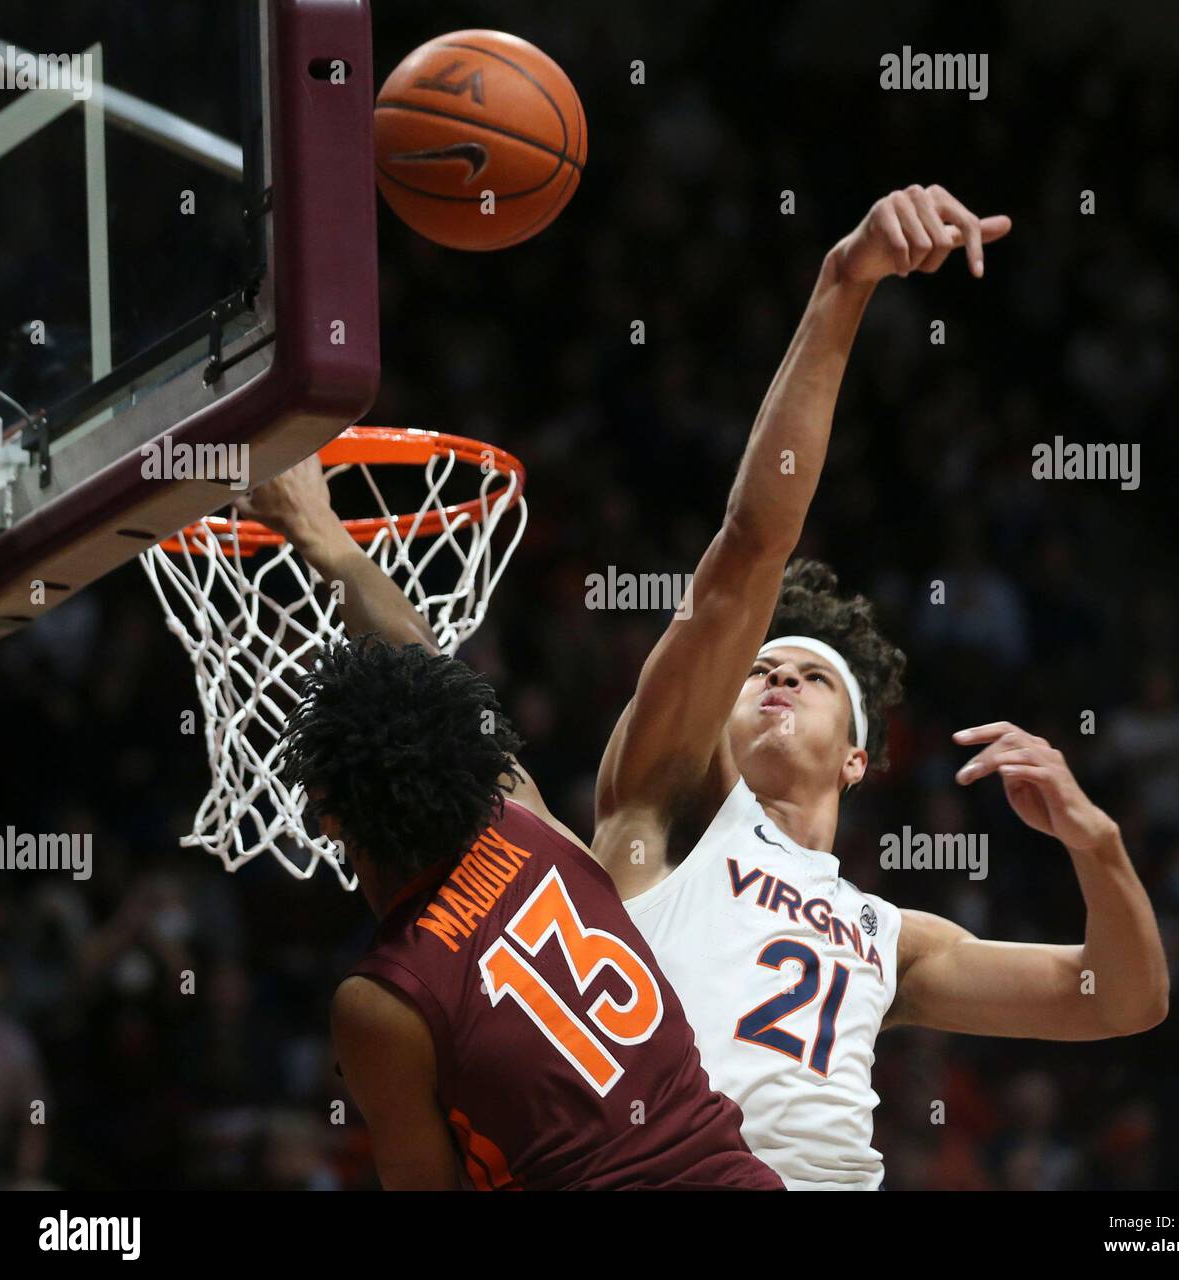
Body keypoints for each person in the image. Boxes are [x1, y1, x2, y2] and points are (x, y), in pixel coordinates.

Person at [590, 184, 1170, 1190]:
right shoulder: (670, 804)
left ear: (857, 755)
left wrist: (1099, 844)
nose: (773, 673)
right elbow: (751, 544)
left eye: (809, 675)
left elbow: (1116, 998)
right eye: (760, 666)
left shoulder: (890, 937)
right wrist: (842, 282)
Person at [241, 461, 782, 1191]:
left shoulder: (383, 1001)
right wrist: (320, 530)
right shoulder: (523, 819)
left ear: (329, 815)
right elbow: (423, 662)